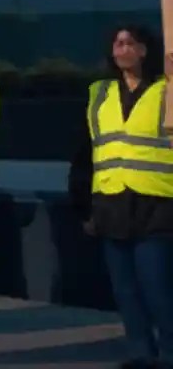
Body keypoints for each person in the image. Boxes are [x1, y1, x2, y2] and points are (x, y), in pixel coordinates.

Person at [69, 25, 172, 369]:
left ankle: (169, 354)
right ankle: (140, 353)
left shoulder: (166, 90)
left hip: (157, 205)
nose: (122, 49)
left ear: (145, 50)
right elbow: (85, 153)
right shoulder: (100, 93)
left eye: (130, 43)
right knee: (126, 291)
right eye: (118, 43)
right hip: (111, 204)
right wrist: (83, 207)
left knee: (158, 288)